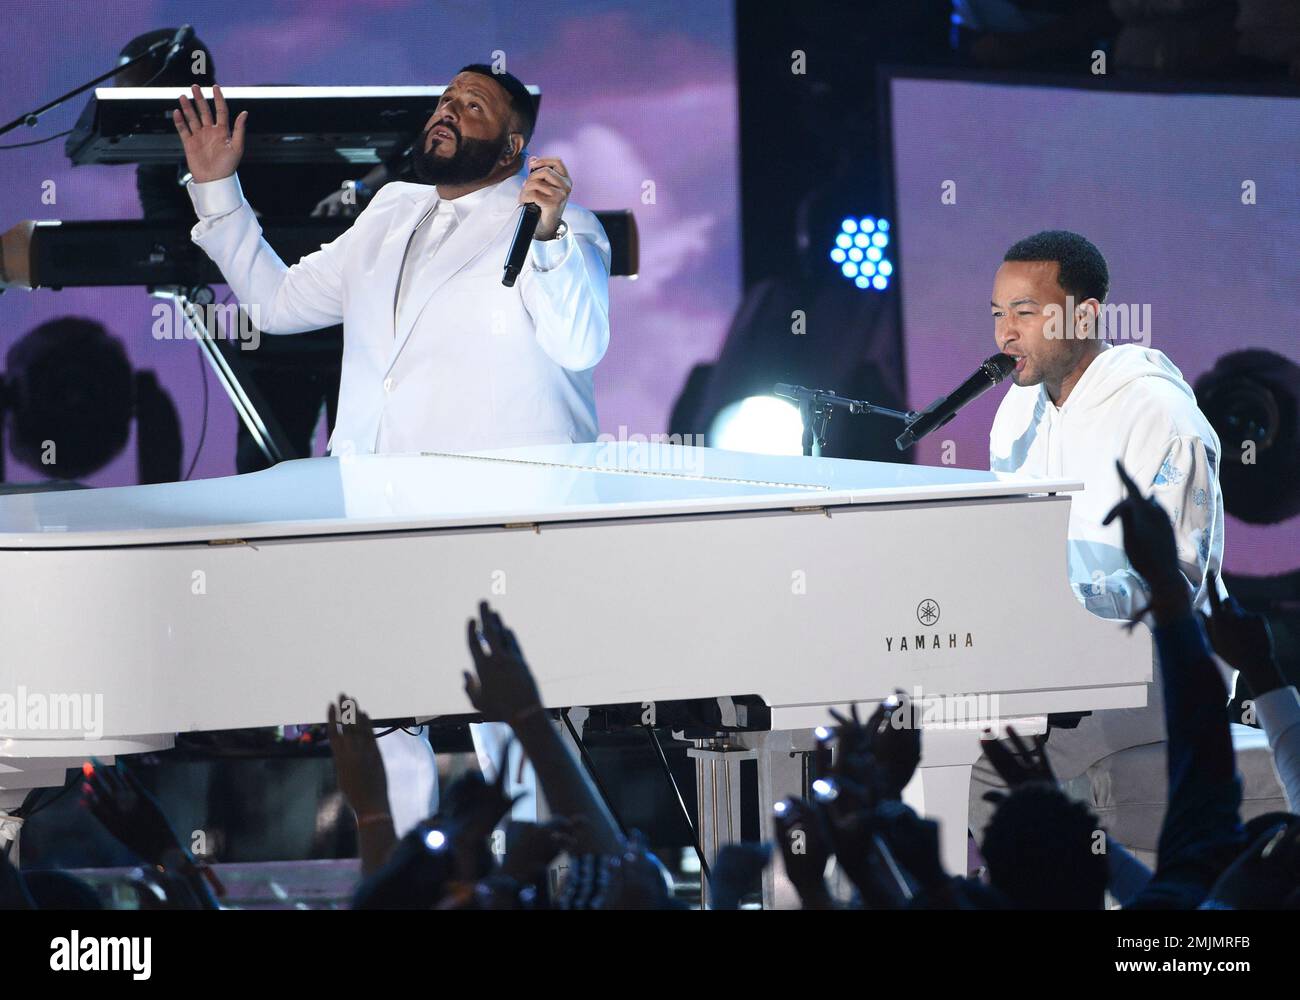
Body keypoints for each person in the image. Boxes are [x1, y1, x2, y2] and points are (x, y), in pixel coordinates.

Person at [172, 65, 611, 830]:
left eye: (471, 106)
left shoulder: (560, 228)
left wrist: (545, 236)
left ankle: (527, 886)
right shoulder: (392, 210)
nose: (448, 111)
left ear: (512, 148)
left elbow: (580, 343)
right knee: (382, 720)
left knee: (507, 729)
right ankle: (405, 882)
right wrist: (218, 190)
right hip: (375, 516)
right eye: (445, 100)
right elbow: (276, 305)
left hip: (500, 525)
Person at [972, 229, 1229, 829]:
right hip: (1045, 668)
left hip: (1153, 679)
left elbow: (1174, 583)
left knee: (980, 770)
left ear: (1084, 315)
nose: (1005, 333)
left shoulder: (1161, 415)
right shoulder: (1015, 410)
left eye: (1026, 313)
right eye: (996, 314)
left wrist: (1052, 607)